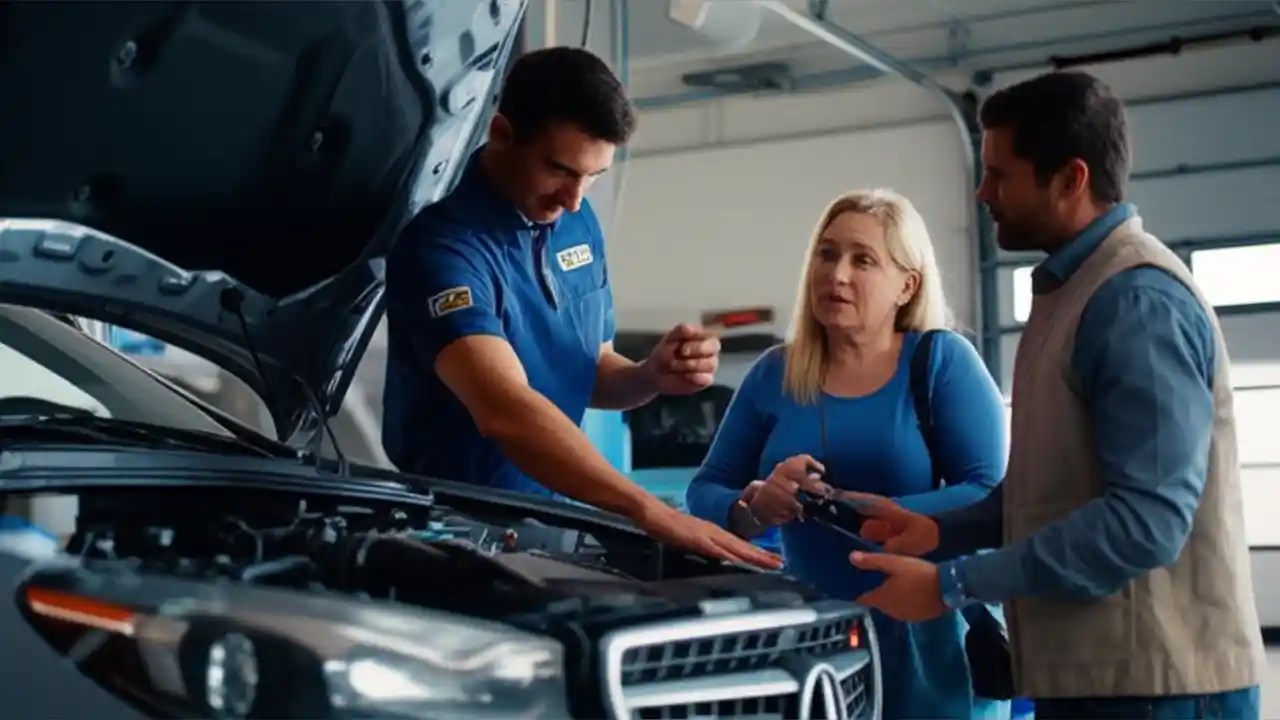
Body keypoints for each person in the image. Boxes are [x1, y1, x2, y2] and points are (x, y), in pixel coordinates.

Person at [846, 70, 1266, 719]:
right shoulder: (1073, 292)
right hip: (1097, 682)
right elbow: (1056, 488)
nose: (982, 193)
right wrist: (941, 529)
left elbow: (1147, 522)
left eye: (1000, 174)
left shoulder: (1135, 302)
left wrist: (951, 585)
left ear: (1071, 179)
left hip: (1161, 691)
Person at [381, 46, 779, 571]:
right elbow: (503, 409)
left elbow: (591, 371)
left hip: (559, 518)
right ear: (501, 134)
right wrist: (647, 509)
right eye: (559, 170)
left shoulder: (576, 222)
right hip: (455, 532)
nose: (573, 198)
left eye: (592, 176)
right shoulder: (443, 249)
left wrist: (649, 376)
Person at [684, 188, 1011, 720]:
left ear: (907, 285)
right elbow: (703, 493)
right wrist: (755, 506)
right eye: (827, 254)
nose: (836, 274)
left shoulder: (941, 362)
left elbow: (989, 493)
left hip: (928, 637)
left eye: (863, 261)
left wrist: (844, 508)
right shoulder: (774, 374)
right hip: (814, 643)